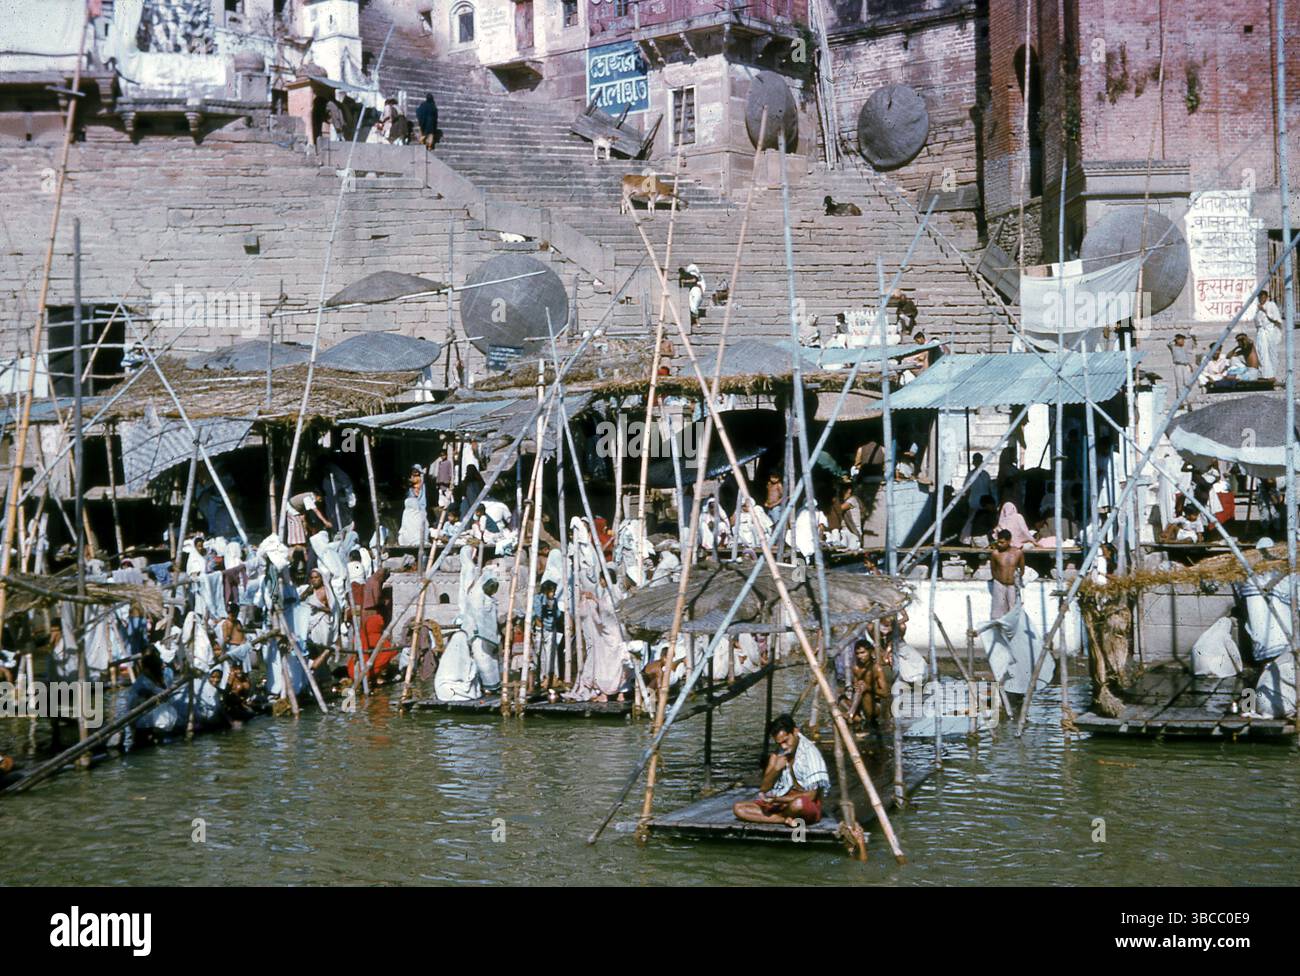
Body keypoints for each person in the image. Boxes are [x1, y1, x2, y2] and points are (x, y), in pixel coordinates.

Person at [732, 714, 831, 827]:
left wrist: (779, 799)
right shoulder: (778, 754)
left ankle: (782, 816)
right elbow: (764, 788)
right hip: (781, 804)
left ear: (795, 732)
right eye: (779, 743)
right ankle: (783, 819)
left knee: (798, 805)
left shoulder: (810, 753)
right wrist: (776, 769)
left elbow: (811, 796)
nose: (783, 747)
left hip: (803, 805)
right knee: (739, 809)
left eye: (785, 741)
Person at [533, 579, 563, 693]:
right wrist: (546, 603)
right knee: (541, 655)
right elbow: (539, 614)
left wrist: (553, 607)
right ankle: (543, 678)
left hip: (551, 629)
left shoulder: (553, 600)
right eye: (552, 591)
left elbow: (558, 614)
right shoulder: (538, 599)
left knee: (552, 653)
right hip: (541, 629)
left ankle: (553, 676)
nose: (553, 594)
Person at [990, 529, 1024, 618]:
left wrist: (1016, 581)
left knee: (1013, 611)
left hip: (1013, 585)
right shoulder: (995, 553)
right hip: (1000, 584)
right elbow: (993, 570)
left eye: (1002, 542)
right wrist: (1000, 580)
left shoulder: (1018, 553)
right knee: (999, 612)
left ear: (1009, 541)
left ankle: (1012, 632)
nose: (999, 544)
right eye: (998, 542)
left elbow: (1022, 569)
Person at [1254, 290, 1282, 382]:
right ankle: (1265, 374)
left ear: (1266, 297)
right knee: (1262, 352)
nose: (1261, 299)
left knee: (1271, 353)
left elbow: (1275, 319)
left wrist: (1264, 310)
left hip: (1270, 332)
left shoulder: (1271, 305)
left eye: (1263, 297)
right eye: (1260, 297)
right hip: (1261, 332)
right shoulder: (1258, 308)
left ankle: (1272, 374)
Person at [398, 464, 429, 547]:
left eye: (416, 472)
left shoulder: (419, 481)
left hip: (417, 506)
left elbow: (414, 482)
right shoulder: (411, 485)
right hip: (410, 507)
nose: (414, 474)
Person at [1167, 333, 1195, 401]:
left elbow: (1186, 358)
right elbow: (1168, 343)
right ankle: (1180, 400)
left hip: (1186, 366)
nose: (1183, 341)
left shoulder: (1184, 348)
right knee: (1179, 383)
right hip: (1178, 365)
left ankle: (1189, 399)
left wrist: (1190, 366)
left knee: (1188, 382)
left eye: (1183, 340)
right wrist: (1175, 339)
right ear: (1177, 340)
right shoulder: (1173, 347)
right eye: (1181, 340)